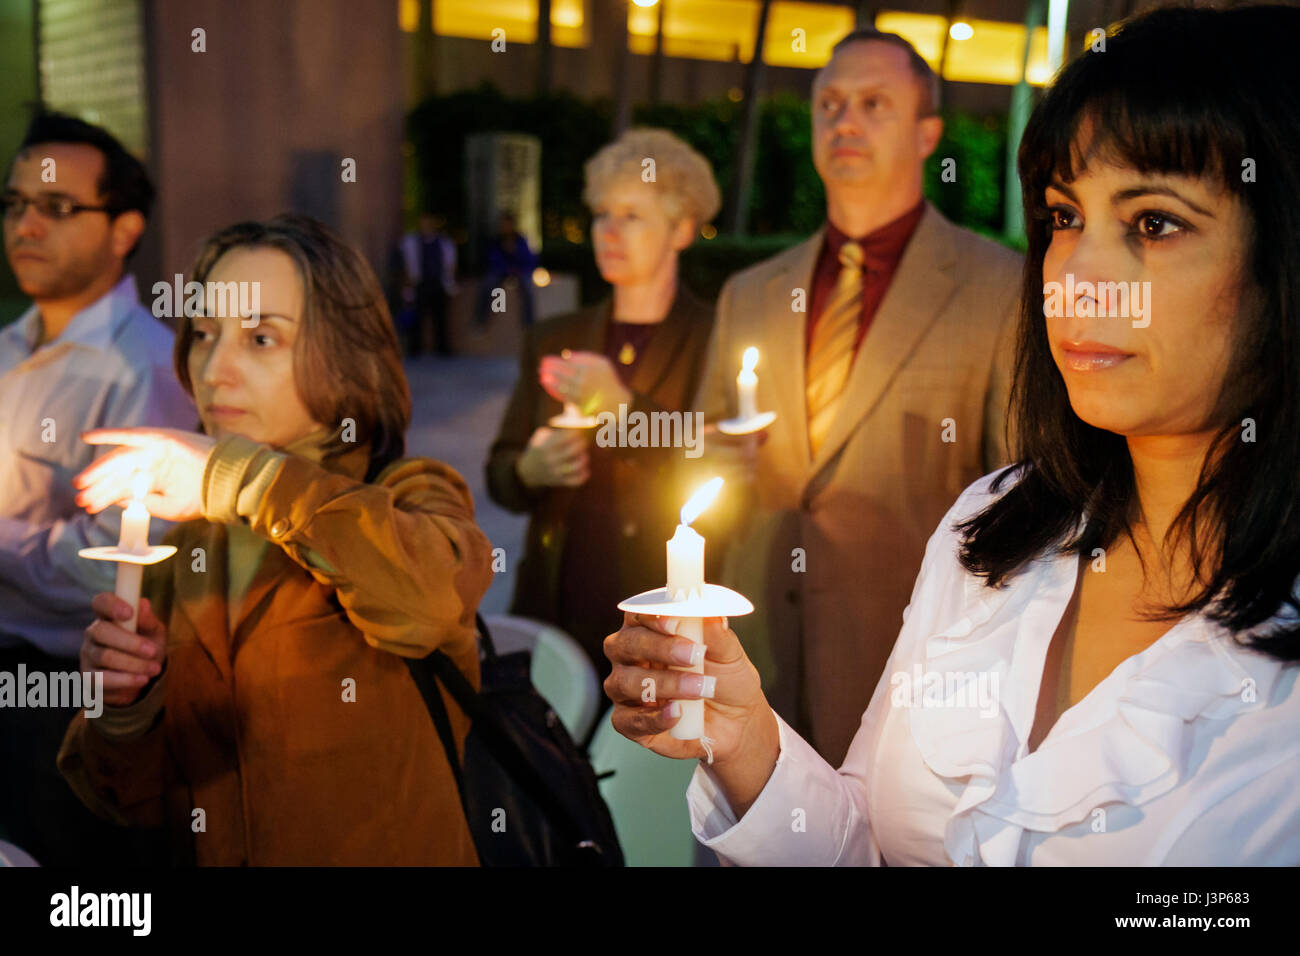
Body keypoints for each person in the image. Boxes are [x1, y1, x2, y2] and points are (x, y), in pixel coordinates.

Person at [605, 4, 1300, 865]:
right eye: (1063, 217)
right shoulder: (997, 526)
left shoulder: (977, 283)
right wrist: (746, 739)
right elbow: (876, 843)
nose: (1078, 280)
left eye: (1154, 224)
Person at [57, 214, 494, 865]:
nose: (214, 369)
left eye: (261, 338)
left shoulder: (409, 493)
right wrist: (126, 703)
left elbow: (426, 598)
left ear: (343, 358)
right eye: (204, 334)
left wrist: (238, 477)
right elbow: (123, 800)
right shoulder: (177, 548)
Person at [691, 28, 1021, 766]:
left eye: (874, 104)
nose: (844, 121)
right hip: (755, 672)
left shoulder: (999, 289)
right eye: (829, 104)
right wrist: (711, 462)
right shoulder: (750, 293)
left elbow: (1024, 507)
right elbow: (706, 461)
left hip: (909, 684)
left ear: (927, 133)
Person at [0, 111, 194, 866]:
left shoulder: (143, 366)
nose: (27, 225)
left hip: (62, 689)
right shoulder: (12, 346)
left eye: (57, 207)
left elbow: (107, 562)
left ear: (123, 229)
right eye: (16, 203)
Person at [486, 129, 720, 689]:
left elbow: (711, 459)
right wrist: (528, 470)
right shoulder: (554, 335)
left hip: (660, 609)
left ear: (681, 228)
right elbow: (500, 473)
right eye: (601, 215)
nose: (609, 232)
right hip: (556, 604)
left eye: (633, 216)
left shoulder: (713, 336)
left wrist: (623, 407)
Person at [399, 211, 458, 355]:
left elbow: (451, 263)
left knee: (440, 317)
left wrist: (449, 280)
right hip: (419, 283)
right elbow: (405, 263)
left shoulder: (444, 243)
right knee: (417, 317)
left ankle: (442, 348)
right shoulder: (410, 242)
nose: (426, 225)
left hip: (438, 282)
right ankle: (415, 348)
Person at [475, 211, 538, 328]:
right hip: (501, 272)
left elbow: (529, 259)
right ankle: (480, 321)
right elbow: (492, 260)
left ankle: (529, 324)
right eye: (503, 224)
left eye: (507, 224)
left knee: (528, 287)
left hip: (520, 272)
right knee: (487, 284)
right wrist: (506, 269)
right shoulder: (495, 241)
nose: (505, 227)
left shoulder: (520, 240)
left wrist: (515, 254)